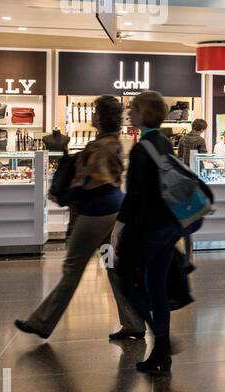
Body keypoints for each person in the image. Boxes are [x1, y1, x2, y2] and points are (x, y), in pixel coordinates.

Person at [16, 95, 145, 340]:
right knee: (112, 267)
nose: (93, 115)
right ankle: (134, 322)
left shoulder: (99, 147)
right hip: (113, 214)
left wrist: (66, 191)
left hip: (94, 217)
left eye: (96, 112)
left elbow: (90, 182)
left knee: (73, 268)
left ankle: (42, 322)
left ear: (101, 117)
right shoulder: (116, 143)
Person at [113, 90, 188, 375]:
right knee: (155, 286)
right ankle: (162, 348)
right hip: (166, 227)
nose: (129, 113)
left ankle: (163, 342)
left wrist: (119, 228)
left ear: (144, 113)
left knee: (130, 284)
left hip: (148, 229)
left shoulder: (143, 148)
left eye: (133, 109)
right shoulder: (163, 142)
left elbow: (134, 197)